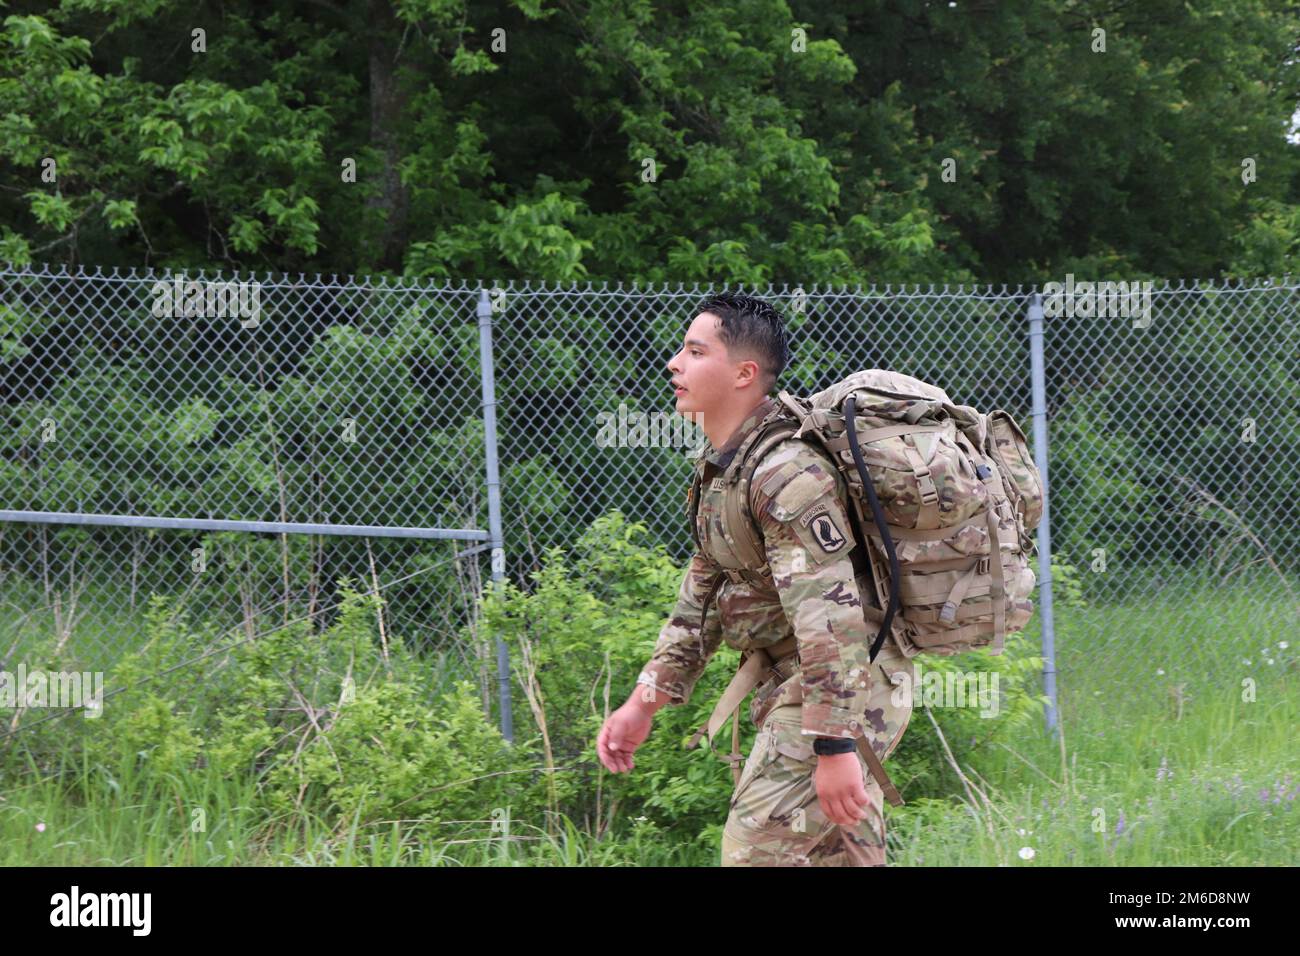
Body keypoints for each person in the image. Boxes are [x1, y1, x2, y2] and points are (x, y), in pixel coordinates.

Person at [595, 292, 915, 866]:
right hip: (815, 691)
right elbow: (700, 598)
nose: (674, 363)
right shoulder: (724, 472)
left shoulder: (785, 474)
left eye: (695, 351)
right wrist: (645, 701)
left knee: (753, 855)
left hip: (844, 692)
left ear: (744, 374)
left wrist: (835, 742)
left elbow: (830, 616)